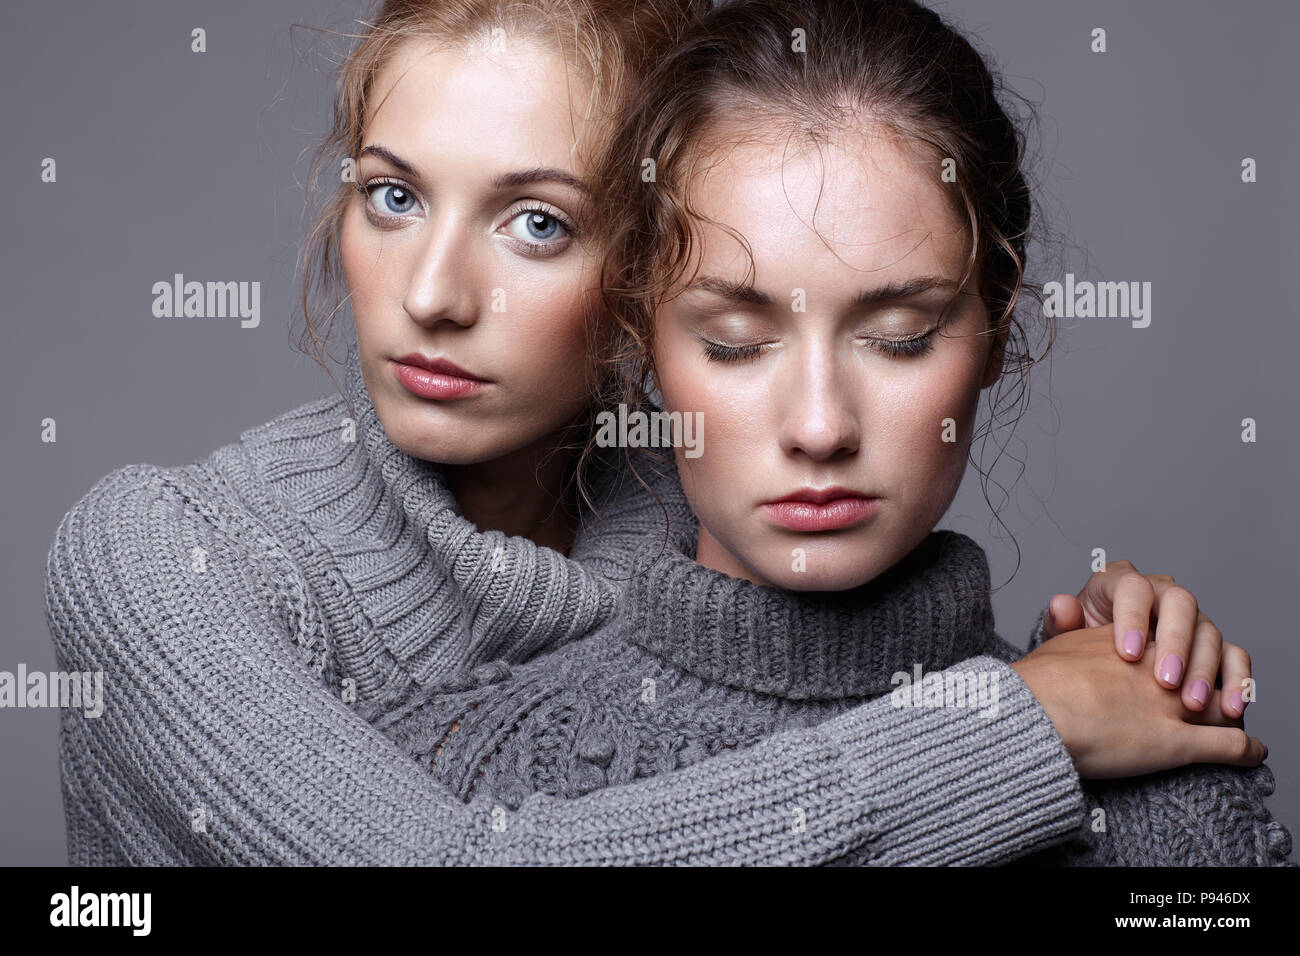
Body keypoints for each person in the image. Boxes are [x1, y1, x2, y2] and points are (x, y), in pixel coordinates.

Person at [361, 0, 1290, 866]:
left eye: (900, 339)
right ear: (641, 340)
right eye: (735, 343)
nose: (819, 426)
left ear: (998, 335)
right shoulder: (438, 790)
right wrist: (997, 732)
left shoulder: (1162, 781)